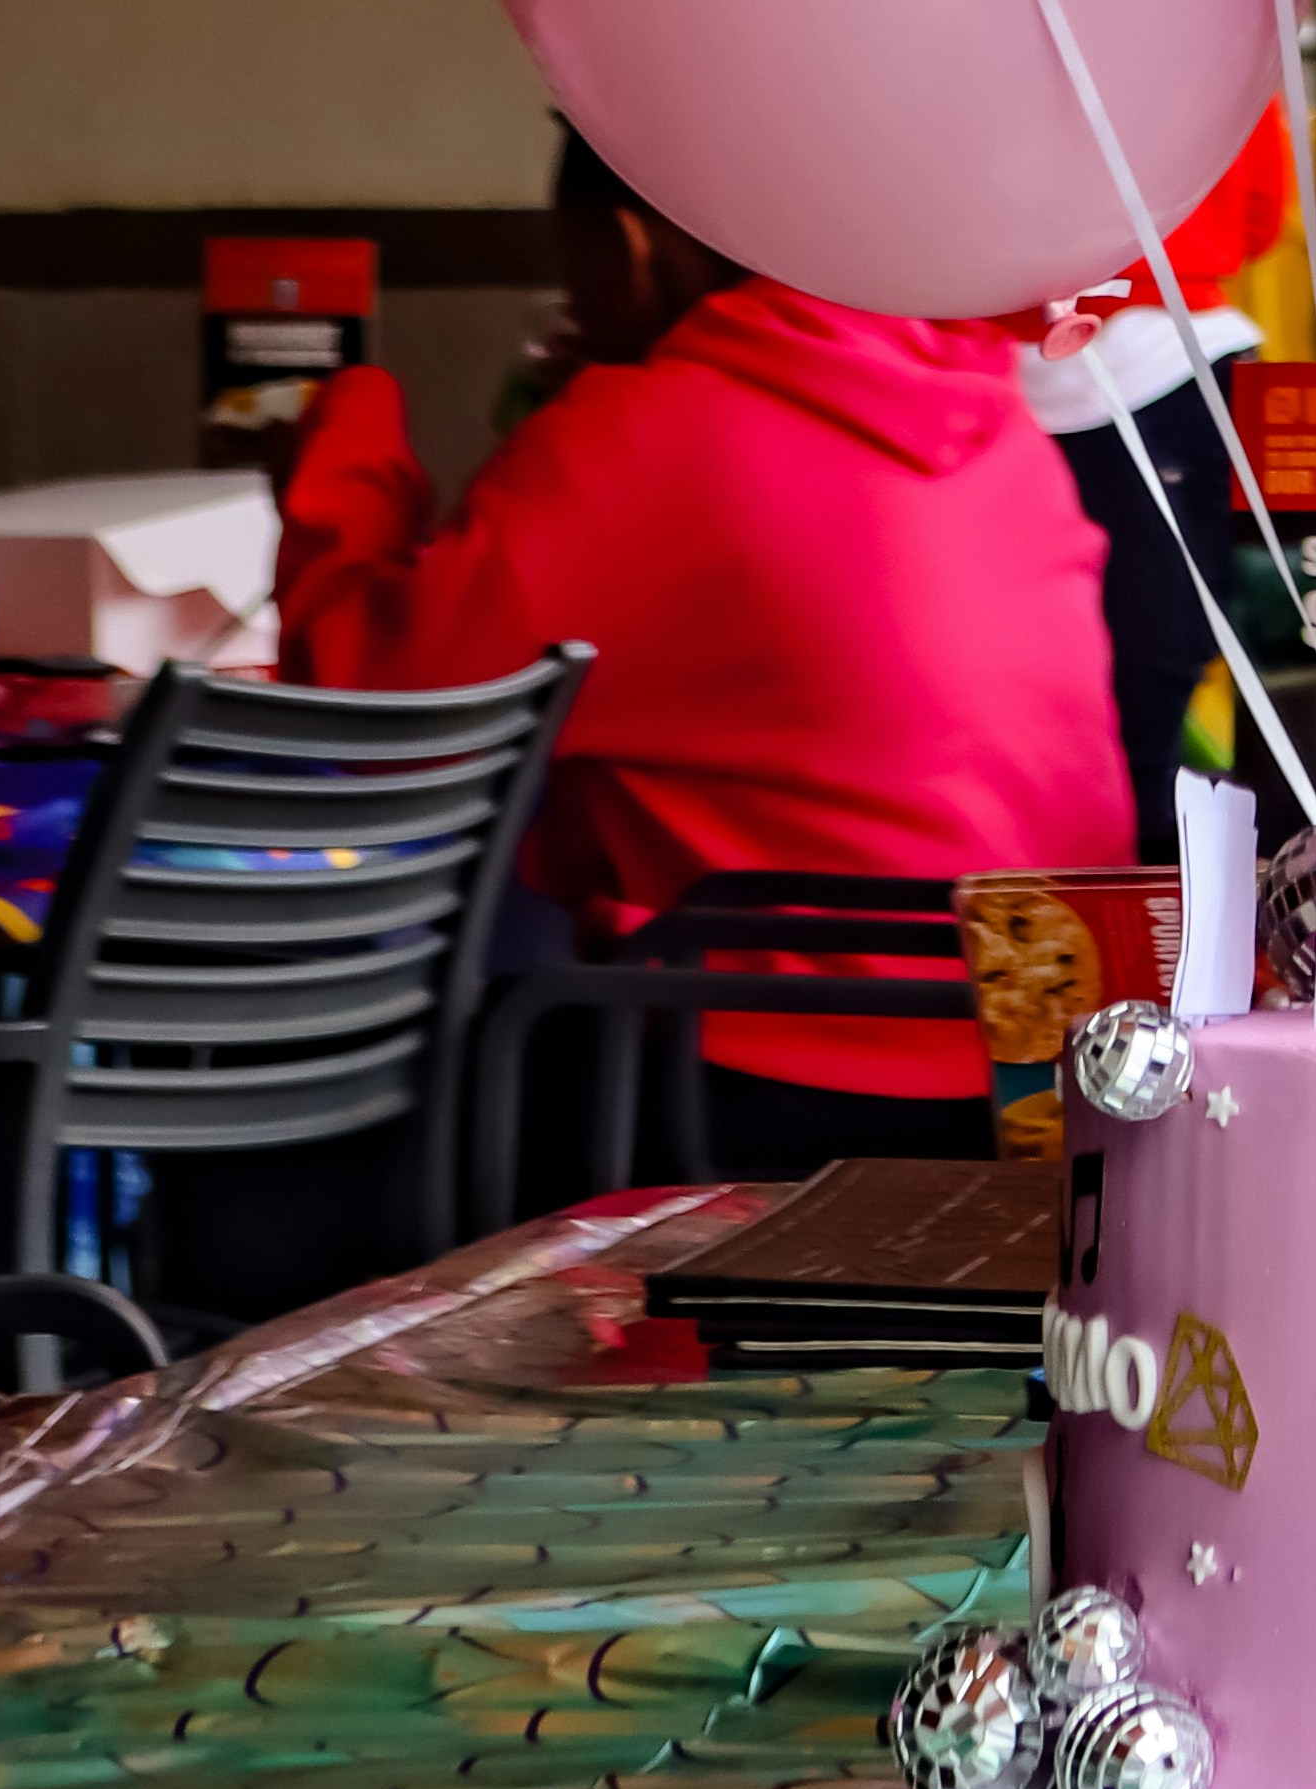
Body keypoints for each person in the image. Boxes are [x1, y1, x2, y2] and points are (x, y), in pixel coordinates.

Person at [278, 132, 1134, 1161]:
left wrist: (349, 433)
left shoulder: (655, 427)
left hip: (772, 1084)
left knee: (299, 1156)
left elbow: (372, 701)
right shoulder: (990, 415)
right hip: (1036, 1080)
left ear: (630, 246)